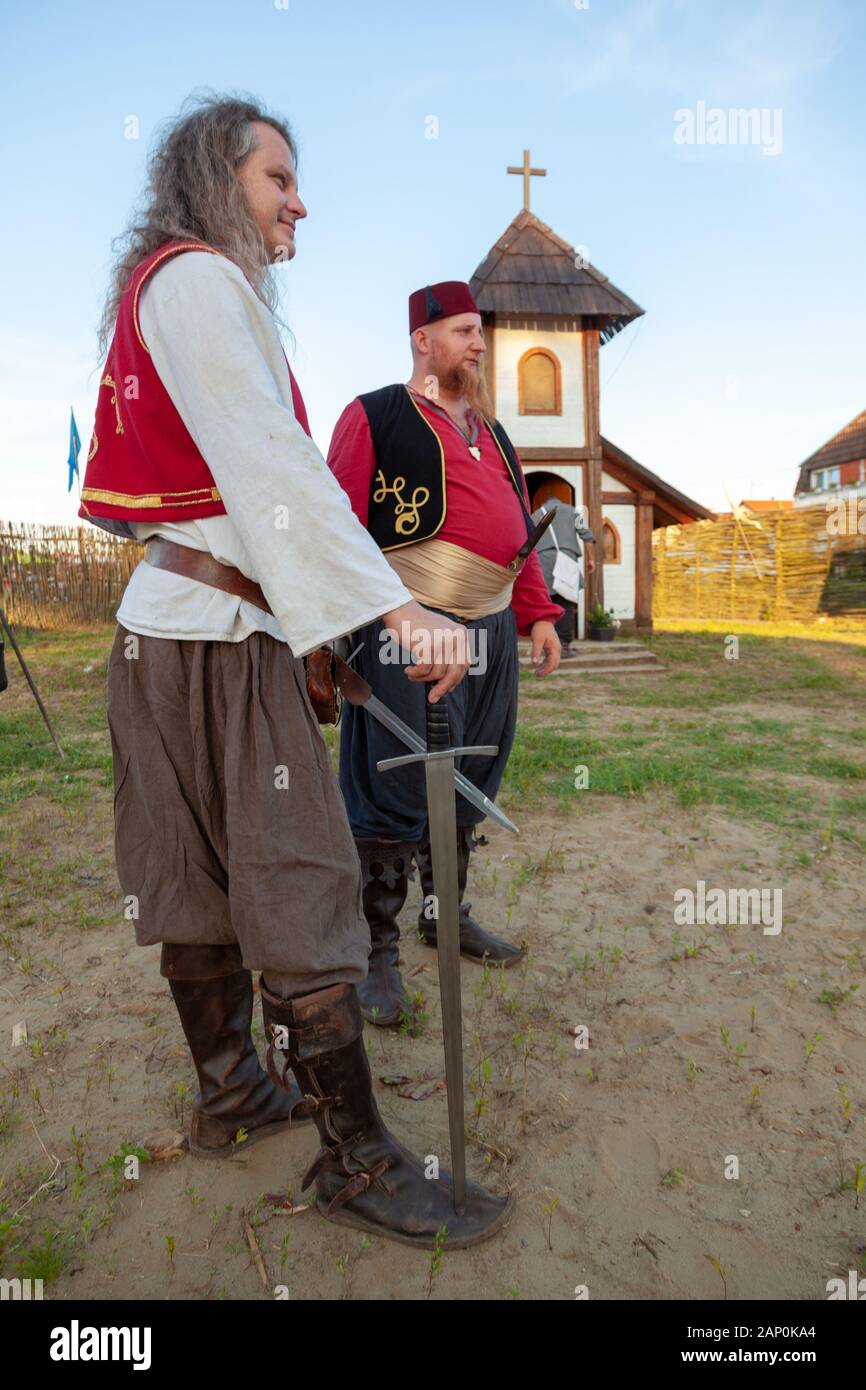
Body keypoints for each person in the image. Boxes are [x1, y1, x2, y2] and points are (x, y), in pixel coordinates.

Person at [78, 95, 511, 1248]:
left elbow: (236, 487)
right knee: (299, 874)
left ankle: (233, 1094)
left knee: (198, 879)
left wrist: (323, 635)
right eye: (279, 180)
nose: (297, 201)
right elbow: (273, 469)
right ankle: (356, 1158)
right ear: (222, 179)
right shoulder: (198, 281)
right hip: (210, 641)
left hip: (164, 631)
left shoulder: (168, 289)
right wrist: (391, 613)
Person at [327, 281, 564, 1027]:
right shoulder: (374, 416)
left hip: (491, 629)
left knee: (467, 777)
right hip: (408, 629)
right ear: (423, 339)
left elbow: (519, 534)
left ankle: (445, 916)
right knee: (393, 787)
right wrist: (375, 622)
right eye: (463, 330)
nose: (478, 343)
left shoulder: (494, 435)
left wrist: (539, 616)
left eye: (480, 331)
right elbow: (337, 528)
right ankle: (375, 951)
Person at [532, 498, 596, 647]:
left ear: (544, 504)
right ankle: (564, 645)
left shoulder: (536, 514)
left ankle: (546, 644)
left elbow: (528, 540)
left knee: (545, 603)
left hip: (543, 561)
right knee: (566, 602)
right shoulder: (574, 511)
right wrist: (591, 560)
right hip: (567, 560)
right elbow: (586, 536)